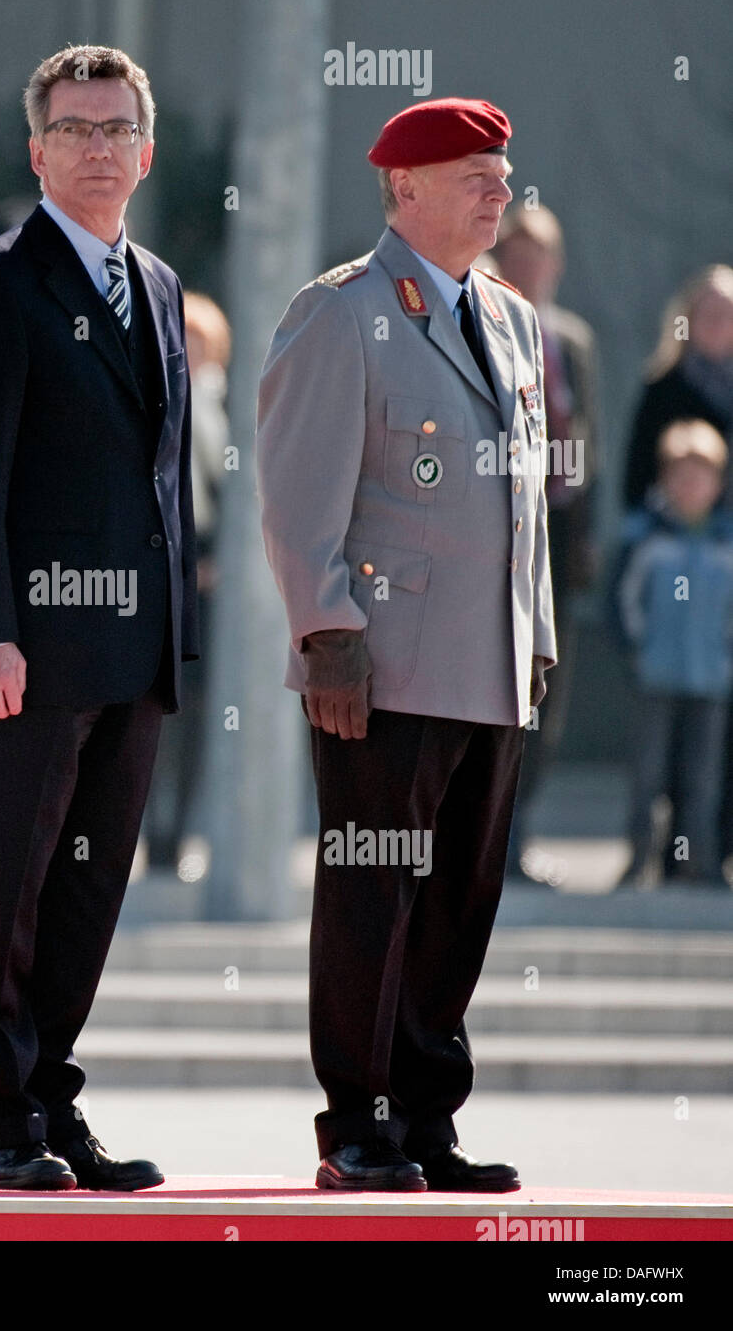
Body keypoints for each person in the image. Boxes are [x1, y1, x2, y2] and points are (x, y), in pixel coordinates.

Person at [258, 97, 554, 1193]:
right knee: (374, 897)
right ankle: (358, 1127)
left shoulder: (512, 318)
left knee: (457, 904)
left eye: (500, 172)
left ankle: (426, 1121)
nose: (496, 190)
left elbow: (524, 506)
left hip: (488, 664)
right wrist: (325, 630)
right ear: (403, 188)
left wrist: (538, 633)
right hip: (381, 667)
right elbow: (297, 497)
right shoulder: (342, 313)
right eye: (471, 171)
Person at [0, 44, 197, 1192]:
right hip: (22, 654)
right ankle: (0, 1130)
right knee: (6, 890)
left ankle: (50, 1101)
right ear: (37, 151)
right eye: (74, 129)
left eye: (116, 127)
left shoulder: (166, 286)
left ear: (145, 148)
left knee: (87, 895)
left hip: (131, 652)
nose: (98, 147)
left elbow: (162, 479)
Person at [492, 207, 600, 881]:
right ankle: (479, 842)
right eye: (519, 256)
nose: (532, 270)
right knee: (494, 692)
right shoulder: (488, 323)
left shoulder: (574, 342)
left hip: (559, 535)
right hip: (501, 534)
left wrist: (586, 542)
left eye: (542, 258)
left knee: (545, 699)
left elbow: (588, 442)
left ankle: (516, 838)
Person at [610, 420, 733, 888]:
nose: (690, 487)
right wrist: (638, 650)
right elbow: (622, 602)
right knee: (648, 772)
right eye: (681, 477)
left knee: (703, 776)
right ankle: (639, 857)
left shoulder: (725, 542)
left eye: (701, 477)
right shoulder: (644, 538)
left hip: (711, 679)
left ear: (718, 483)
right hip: (655, 677)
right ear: (663, 480)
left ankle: (696, 862)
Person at [144, 290, 230, 869]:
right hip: (165, 562)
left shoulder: (222, 407)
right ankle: (151, 832)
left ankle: (178, 834)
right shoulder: (158, 398)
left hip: (213, 568)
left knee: (198, 713)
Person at [622, 265, 733, 509]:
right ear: (689, 320)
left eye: (726, 315)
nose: (717, 324)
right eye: (709, 314)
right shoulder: (664, 387)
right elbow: (638, 473)